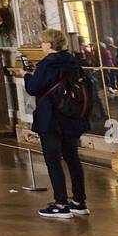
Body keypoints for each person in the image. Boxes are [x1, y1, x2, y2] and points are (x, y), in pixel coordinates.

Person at [25, 28, 91, 219]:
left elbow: (33, 88)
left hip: (51, 119)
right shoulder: (73, 60)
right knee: (72, 158)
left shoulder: (47, 64)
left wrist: (28, 75)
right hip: (71, 117)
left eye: (42, 42)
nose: (41, 45)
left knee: (53, 161)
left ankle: (61, 204)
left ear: (49, 44)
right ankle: (79, 202)